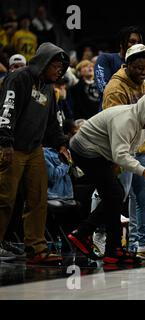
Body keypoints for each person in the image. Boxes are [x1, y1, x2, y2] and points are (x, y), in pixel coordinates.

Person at [67, 90, 145, 265]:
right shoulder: (126, 120)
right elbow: (121, 155)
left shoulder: (143, 126)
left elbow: (129, 152)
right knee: (114, 194)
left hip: (101, 152)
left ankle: (107, 246)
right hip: (84, 149)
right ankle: (88, 236)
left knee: (114, 195)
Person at [0, 42, 70, 264]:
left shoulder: (49, 88)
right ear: (44, 62)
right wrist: (5, 142)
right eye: (56, 66)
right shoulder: (18, 78)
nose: (59, 71)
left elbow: (52, 122)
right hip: (12, 147)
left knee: (38, 198)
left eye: (62, 68)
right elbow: (6, 110)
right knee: (4, 199)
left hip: (34, 149)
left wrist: (61, 143)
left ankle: (36, 248)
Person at [102, 43, 145, 259]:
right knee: (115, 194)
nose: (143, 72)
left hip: (142, 150)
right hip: (121, 150)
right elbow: (114, 125)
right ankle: (99, 234)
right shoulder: (115, 88)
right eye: (139, 67)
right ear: (127, 64)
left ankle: (144, 243)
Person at [94, 26, 145, 103]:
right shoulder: (106, 59)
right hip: (111, 109)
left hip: (139, 112)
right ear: (121, 43)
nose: (136, 45)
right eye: (132, 41)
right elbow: (104, 89)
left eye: (139, 43)